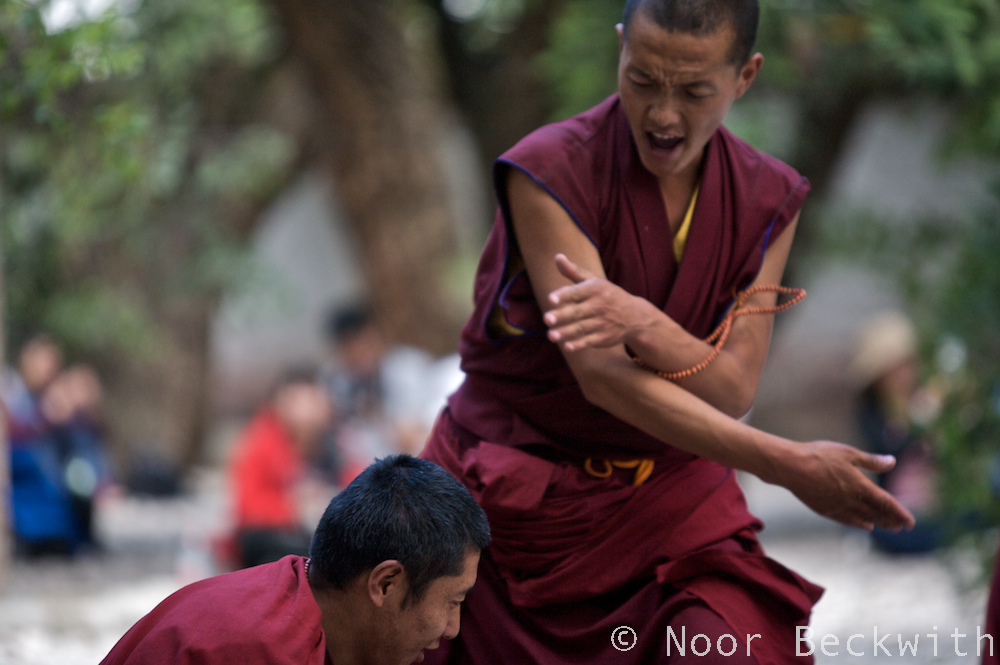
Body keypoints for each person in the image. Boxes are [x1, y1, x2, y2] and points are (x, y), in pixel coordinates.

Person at [420, 1, 914, 663]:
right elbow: (602, 377)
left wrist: (645, 323)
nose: (663, 115)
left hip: (667, 499)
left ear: (745, 77)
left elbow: (733, 386)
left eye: (694, 90)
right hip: (513, 500)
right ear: (621, 47)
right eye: (643, 80)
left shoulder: (769, 198)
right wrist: (783, 461)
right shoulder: (550, 172)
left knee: (734, 645)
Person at [101, 455, 491, 665]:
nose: (452, 628)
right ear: (386, 583)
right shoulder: (254, 650)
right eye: (452, 602)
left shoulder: (299, 596)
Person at [850, 311, 942, 553]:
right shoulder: (872, 415)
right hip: (900, 505)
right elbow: (886, 454)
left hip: (936, 502)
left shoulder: (928, 399)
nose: (903, 374)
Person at [229, 368, 333, 568]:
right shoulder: (261, 442)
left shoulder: (335, 442)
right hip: (275, 539)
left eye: (313, 401)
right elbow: (246, 508)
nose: (307, 412)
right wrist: (295, 508)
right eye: (298, 402)